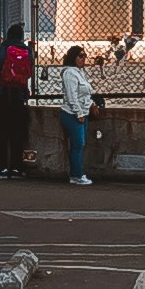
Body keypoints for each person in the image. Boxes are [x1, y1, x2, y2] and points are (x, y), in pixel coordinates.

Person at [0, 15, 36, 179]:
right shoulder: (27, 52)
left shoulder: (0, 50)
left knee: (1, 133)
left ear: (8, 35)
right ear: (21, 37)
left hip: (0, 96)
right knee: (18, 133)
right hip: (19, 97)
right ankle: (17, 169)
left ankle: (1, 169)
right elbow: (29, 73)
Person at [57, 43, 96, 186]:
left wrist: (90, 104)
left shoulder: (80, 72)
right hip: (72, 114)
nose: (83, 58)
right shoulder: (70, 73)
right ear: (73, 57)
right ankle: (76, 175)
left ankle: (77, 173)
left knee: (79, 144)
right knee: (77, 145)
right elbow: (71, 96)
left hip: (82, 113)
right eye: (80, 56)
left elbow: (84, 93)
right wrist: (79, 113)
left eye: (84, 56)